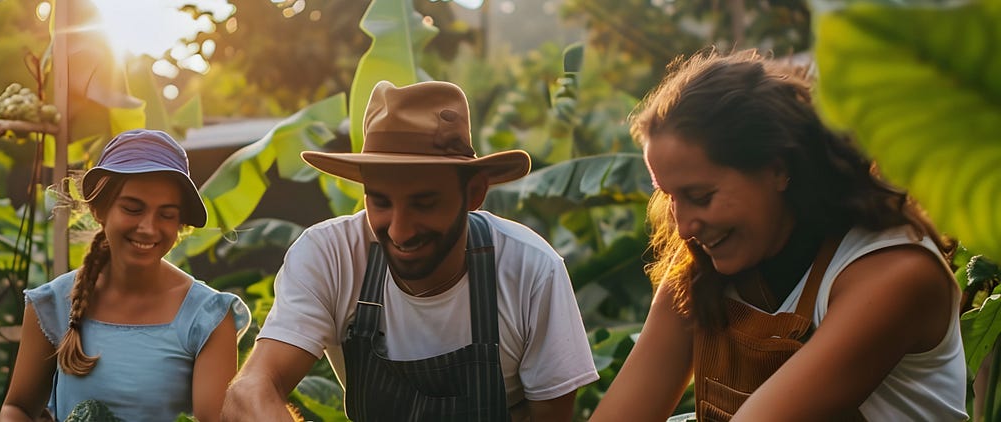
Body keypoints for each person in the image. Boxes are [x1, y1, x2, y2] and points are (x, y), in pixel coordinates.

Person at [589, 49, 968, 421]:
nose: (684, 225)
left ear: (778, 168)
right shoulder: (701, 268)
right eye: (671, 198)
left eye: (701, 197)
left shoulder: (893, 273)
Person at [222, 81, 598, 421]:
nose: (399, 231)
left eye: (424, 203)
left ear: (474, 194)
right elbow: (250, 390)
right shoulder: (330, 256)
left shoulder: (530, 269)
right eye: (381, 202)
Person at [1, 129, 250, 422]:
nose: (148, 227)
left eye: (167, 215)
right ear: (99, 210)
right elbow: (17, 408)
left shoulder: (208, 316)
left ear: (180, 223)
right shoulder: (52, 303)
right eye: (132, 208)